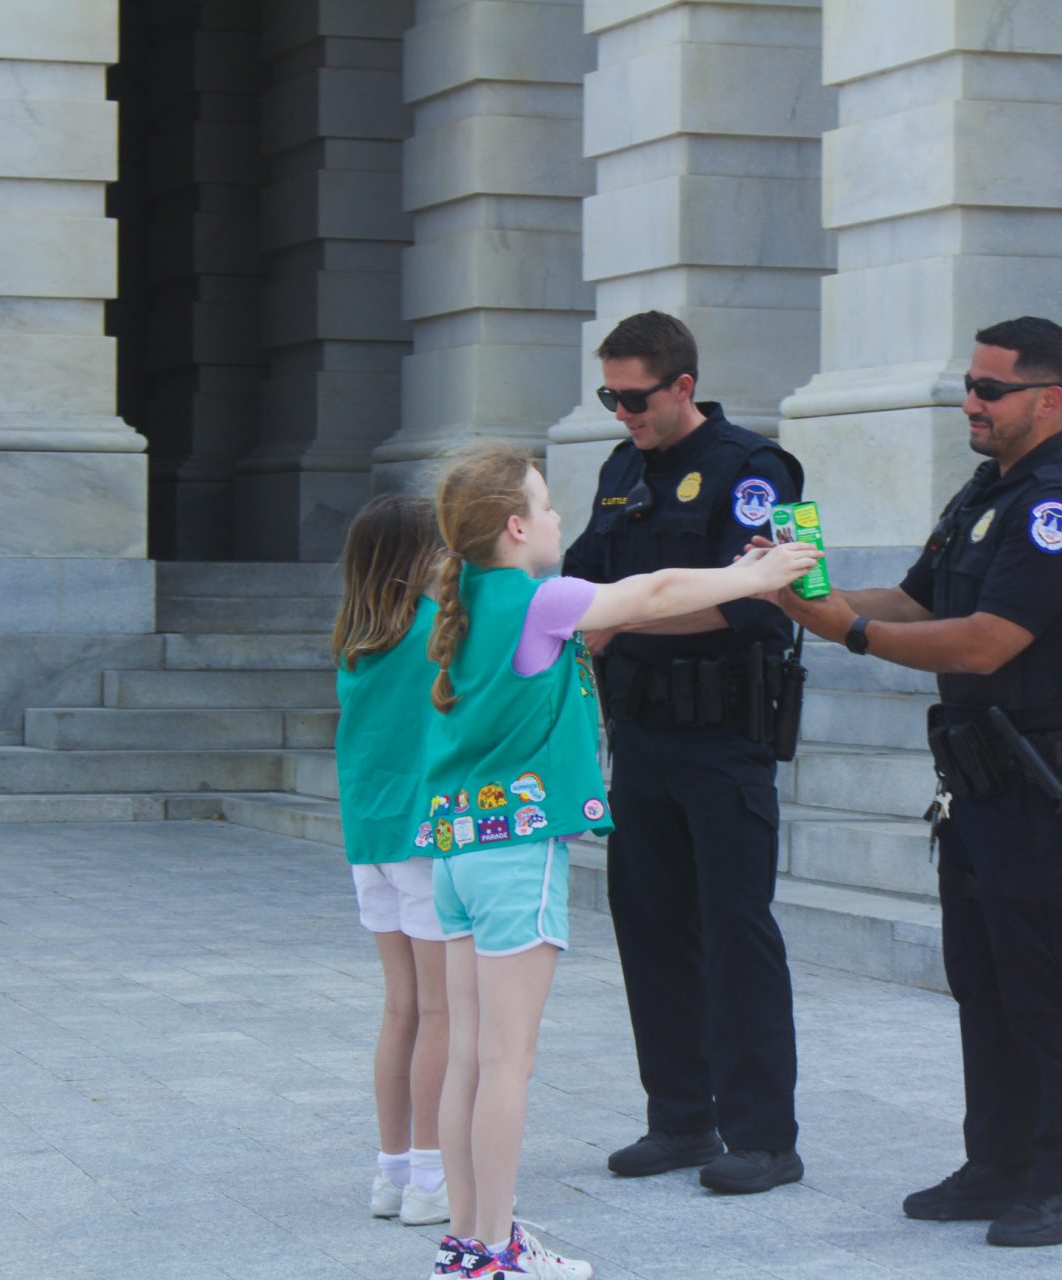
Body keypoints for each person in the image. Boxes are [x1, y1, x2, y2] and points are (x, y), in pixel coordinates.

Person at [419, 444, 821, 1279]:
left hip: (457, 855)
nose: (565, 517)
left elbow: (623, 614)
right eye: (548, 504)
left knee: (468, 1057)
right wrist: (759, 577)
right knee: (506, 1065)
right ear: (516, 525)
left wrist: (737, 573)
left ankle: (467, 1244)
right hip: (514, 857)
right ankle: (492, 1250)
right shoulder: (540, 598)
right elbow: (656, 592)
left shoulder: (466, 602)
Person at [769, 317, 1062, 1248]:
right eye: (970, 384)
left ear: (1048, 400)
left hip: (1047, 783)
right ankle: (1001, 1162)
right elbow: (922, 600)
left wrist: (848, 633)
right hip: (980, 777)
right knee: (984, 978)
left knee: (1047, 985)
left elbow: (986, 639)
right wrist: (803, 595)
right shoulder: (984, 494)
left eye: (991, 389)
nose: (971, 402)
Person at [560, 311, 807, 1195]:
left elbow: (756, 603)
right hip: (645, 734)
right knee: (650, 929)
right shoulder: (622, 469)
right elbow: (585, 575)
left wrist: (622, 619)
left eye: (633, 398)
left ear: (682, 387)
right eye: (609, 397)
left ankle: (764, 1137)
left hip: (723, 737)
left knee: (736, 934)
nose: (621, 413)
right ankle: (680, 1120)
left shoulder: (753, 471)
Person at [332, 495, 454, 1229]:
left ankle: (392, 1172)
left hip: (369, 842)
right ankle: (432, 1180)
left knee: (401, 1009)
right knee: (441, 1011)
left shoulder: (355, 642)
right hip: (423, 840)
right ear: (419, 559)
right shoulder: (431, 640)